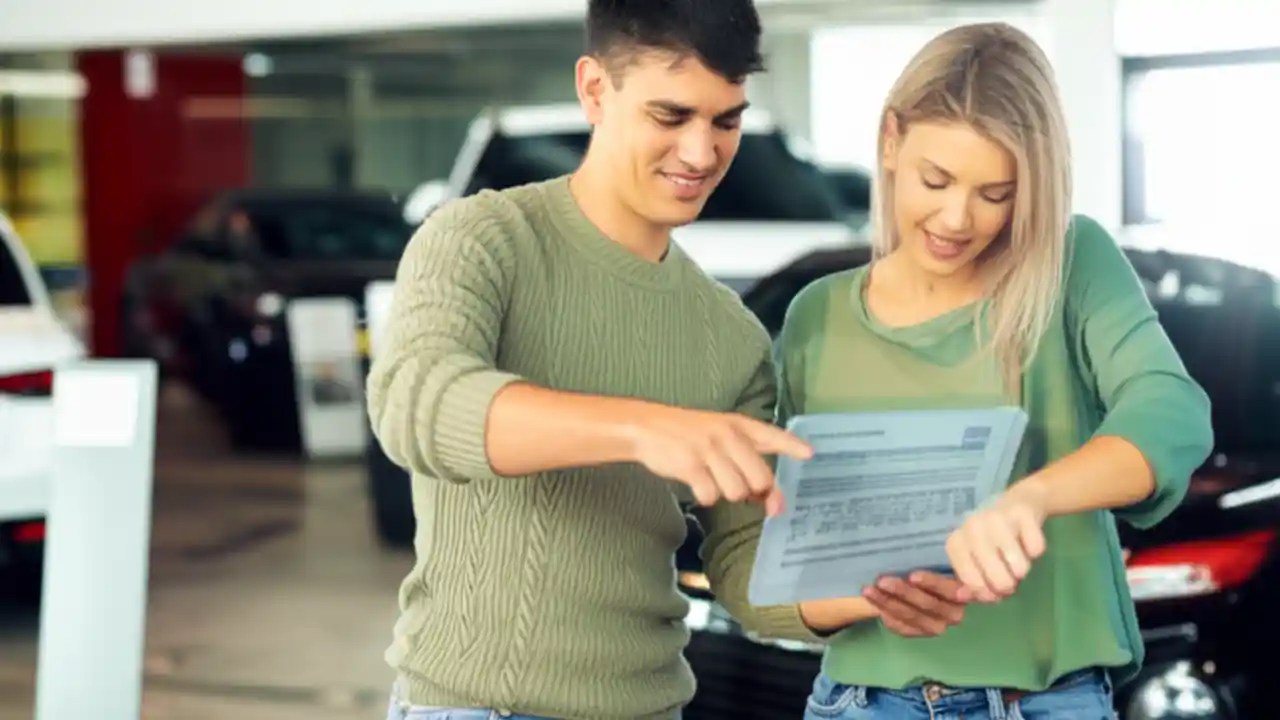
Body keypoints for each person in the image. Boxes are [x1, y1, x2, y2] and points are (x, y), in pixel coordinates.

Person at [716, 22, 1214, 720]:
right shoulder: (817, 318)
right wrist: (867, 599)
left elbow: (1171, 410)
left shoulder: (1071, 265)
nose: (957, 218)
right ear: (891, 141)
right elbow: (759, 563)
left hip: (1043, 703)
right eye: (937, 180)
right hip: (864, 702)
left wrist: (1032, 499)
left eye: (995, 192)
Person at [365, 2, 818, 719]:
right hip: (476, 707)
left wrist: (870, 595)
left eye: (725, 121)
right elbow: (418, 402)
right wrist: (643, 428)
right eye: (671, 116)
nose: (702, 153)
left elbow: (743, 566)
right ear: (595, 89)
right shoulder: (481, 239)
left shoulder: (732, 335)